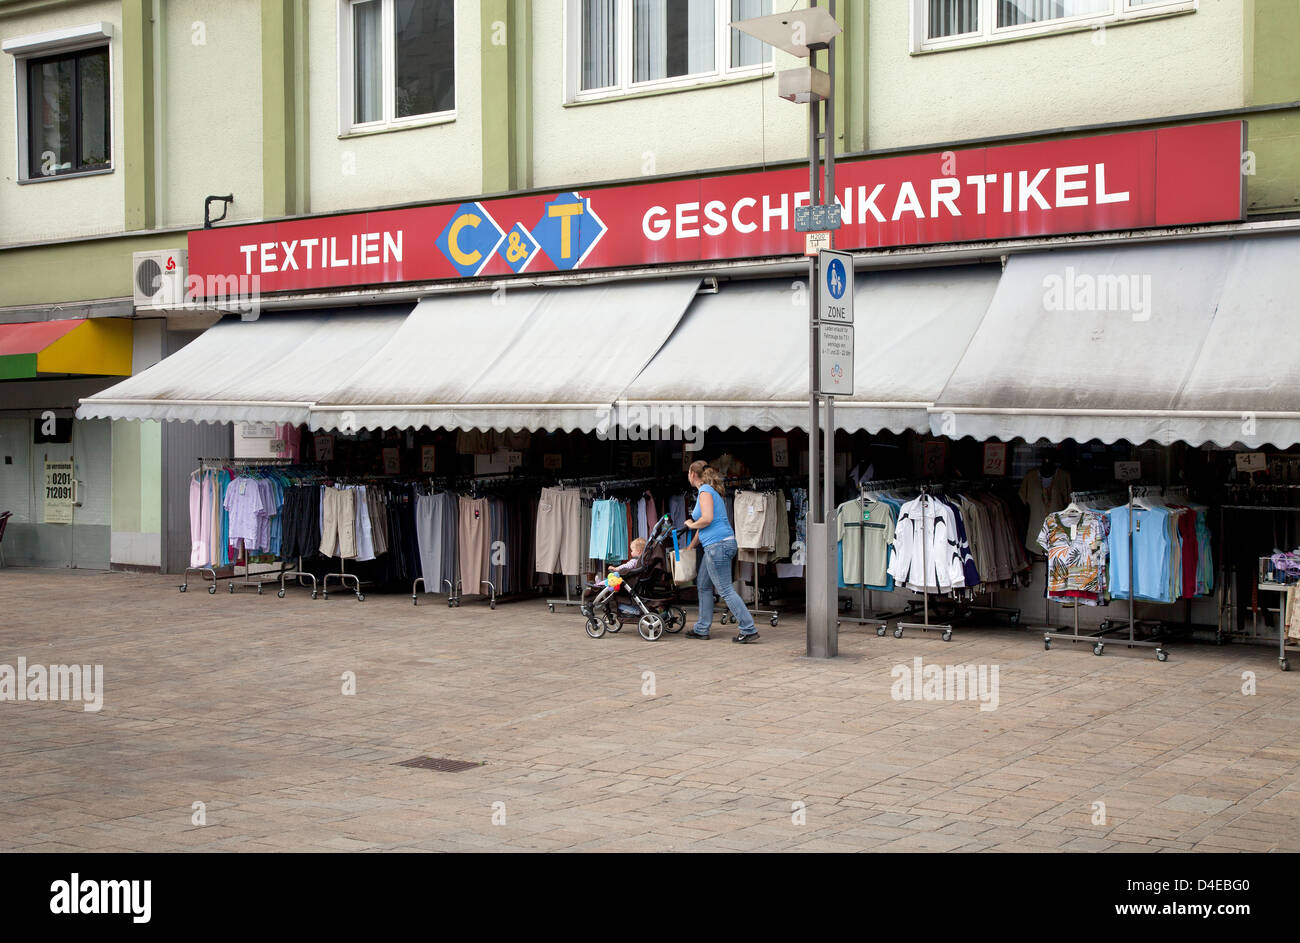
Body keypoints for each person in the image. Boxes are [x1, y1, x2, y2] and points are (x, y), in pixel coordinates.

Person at [682, 460, 758, 642]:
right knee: (703, 585)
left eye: (688, 473)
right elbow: (705, 526)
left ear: (692, 474)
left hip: (718, 546)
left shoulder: (705, 492)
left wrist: (691, 524)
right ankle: (702, 628)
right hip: (718, 545)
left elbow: (707, 519)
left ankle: (748, 629)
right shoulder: (710, 491)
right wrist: (691, 547)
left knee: (725, 590)